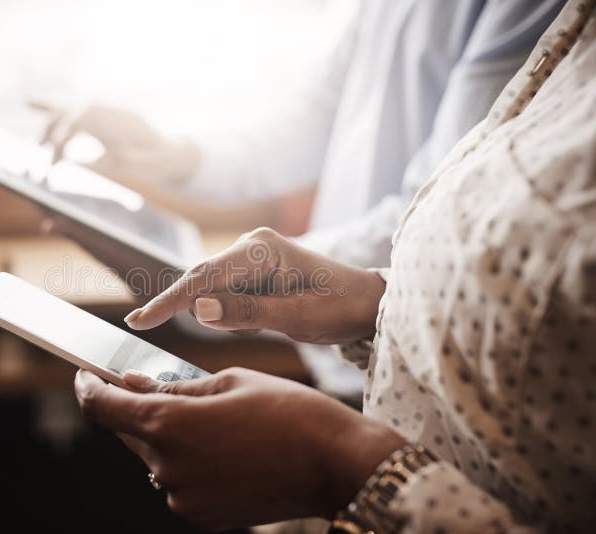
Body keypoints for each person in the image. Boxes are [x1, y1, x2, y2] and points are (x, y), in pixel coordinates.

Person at [73, 1, 596, 531]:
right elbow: (321, 113)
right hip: (379, 392)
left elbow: (438, 207)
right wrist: (372, 300)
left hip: (396, 460)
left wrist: (341, 462)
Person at [39, 0, 565, 398]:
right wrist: (170, 155)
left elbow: (436, 212)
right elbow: (312, 120)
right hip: (339, 347)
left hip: (410, 357)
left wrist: (243, 281)